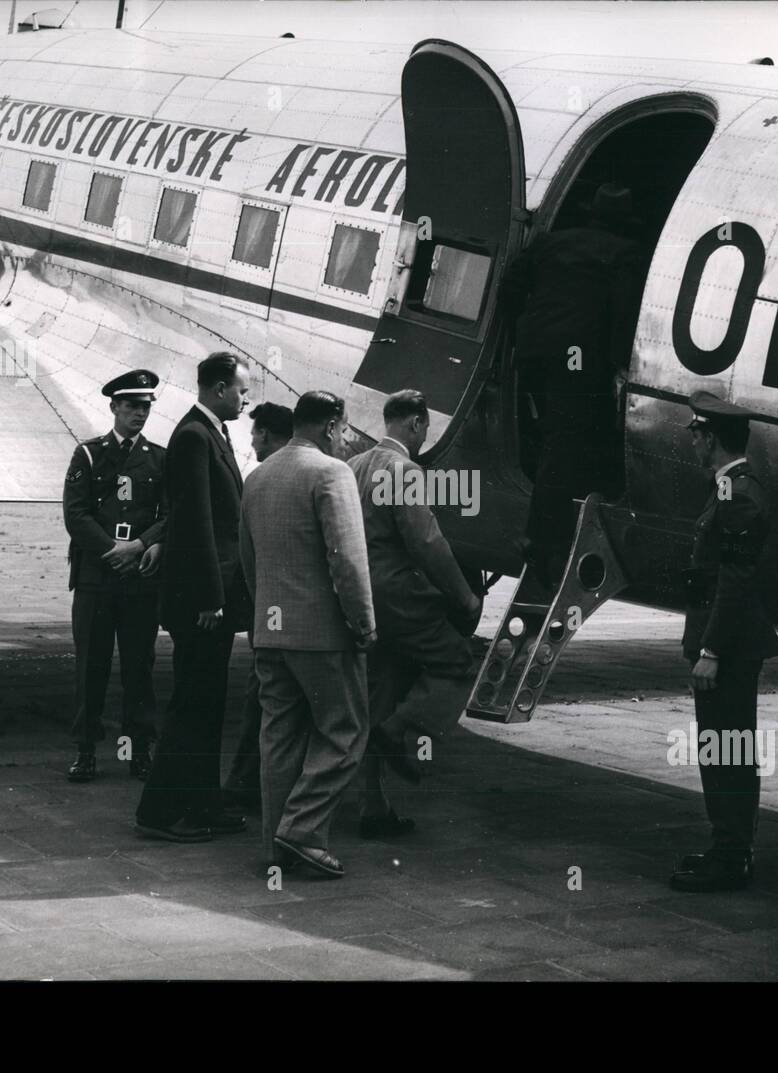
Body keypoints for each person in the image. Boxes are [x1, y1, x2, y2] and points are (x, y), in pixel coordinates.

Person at [240, 391, 376, 878]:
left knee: (278, 738)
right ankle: (301, 831)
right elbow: (348, 559)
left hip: (271, 632)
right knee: (345, 734)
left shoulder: (258, 477)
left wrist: (266, 618)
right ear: (332, 426)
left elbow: (249, 561)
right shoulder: (331, 473)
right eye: (342, 431)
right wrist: (362, 623)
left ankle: (277, 846)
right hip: (322, 636)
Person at [347, 390, 482, 837]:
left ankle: (373, 808)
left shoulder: (355, 465)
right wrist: (464, 597)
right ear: (418, 424)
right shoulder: (404, 470)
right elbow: (428, 544)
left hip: (362, 601)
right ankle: (399, 728)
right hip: (399, 598)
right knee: (459, 662)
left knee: (378, 692)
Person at [499, 182, 646, 586]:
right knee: (565, 442)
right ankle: (541, 538)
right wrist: (618, 366)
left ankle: (546, 527)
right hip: (577, 358)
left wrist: (522, 328)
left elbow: (510, 283)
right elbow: (622, 315)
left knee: (549, 434)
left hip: (536, 352)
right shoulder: (625, 254)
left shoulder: (549, 243)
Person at [670, 389, 778, 892]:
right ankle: (727, 846)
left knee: (728, 749)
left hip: (730, 648)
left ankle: (733, 854)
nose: (692, 443)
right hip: (729, 641)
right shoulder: (732, 486)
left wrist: (711, 651)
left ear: (709, 436)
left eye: (695, 433)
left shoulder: (736, 494)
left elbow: (735, 581)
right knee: (723, 747)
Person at [134, 352, 251, 842]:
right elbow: (195, 523)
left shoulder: (211, 434)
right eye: (242, 391)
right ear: (220, 389)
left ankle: (204, 802)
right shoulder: (192, 437)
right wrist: (209, 597)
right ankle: (160, 814)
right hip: (202, 603)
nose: (246, 400)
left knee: (208, 703)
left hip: (213, 601)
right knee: (191, 704)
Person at [62, 369, 166, 783]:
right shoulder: (88, 455)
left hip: (139, 576)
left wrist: (142, 545)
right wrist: (111, 550)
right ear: (114, 407)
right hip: (97, 577)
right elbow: (76, 514)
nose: (139, 414)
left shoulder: (159, 458)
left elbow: (171, 513)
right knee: (92, 666)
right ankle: (86, 750)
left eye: (145, 407)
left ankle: (139, 749)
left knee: (140, 666)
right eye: (131, 407)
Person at [224, 401, 294, 813]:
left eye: (255, 434)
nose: (252, 441)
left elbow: (246, 553)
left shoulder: (258, 479)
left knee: (263, 697)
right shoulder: (324, 472)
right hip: (305, 617)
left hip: (266, 611)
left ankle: (245, 783)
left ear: (266, 434)